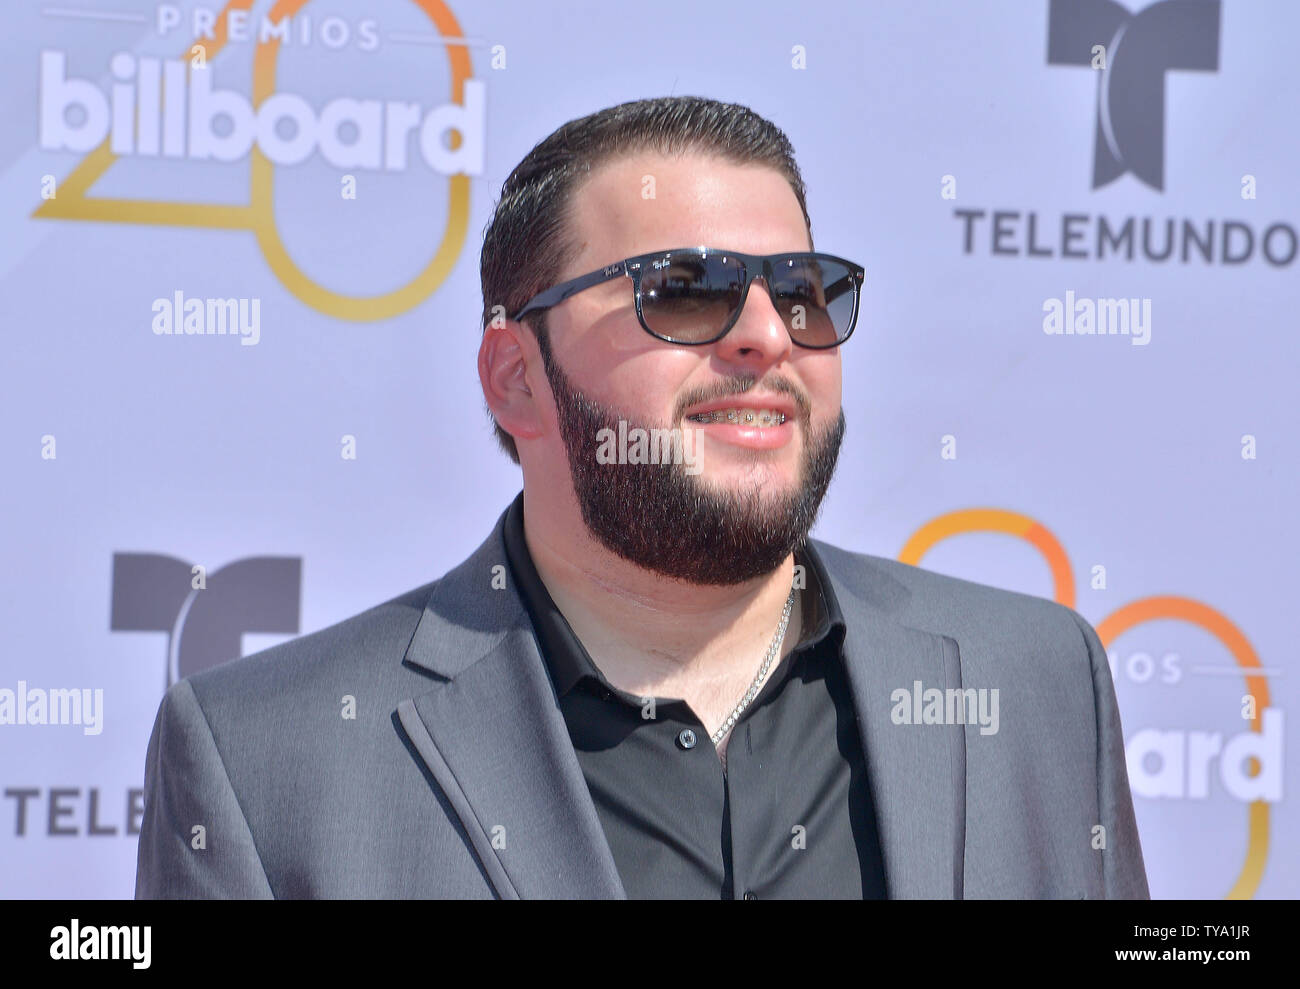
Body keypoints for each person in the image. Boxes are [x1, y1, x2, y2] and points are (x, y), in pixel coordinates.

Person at [136, 95, 1148, 899]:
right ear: (515, 376)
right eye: (681, 289)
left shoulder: (1034, 684)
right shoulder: (271, 757)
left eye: (802, 289)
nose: (766, 333)